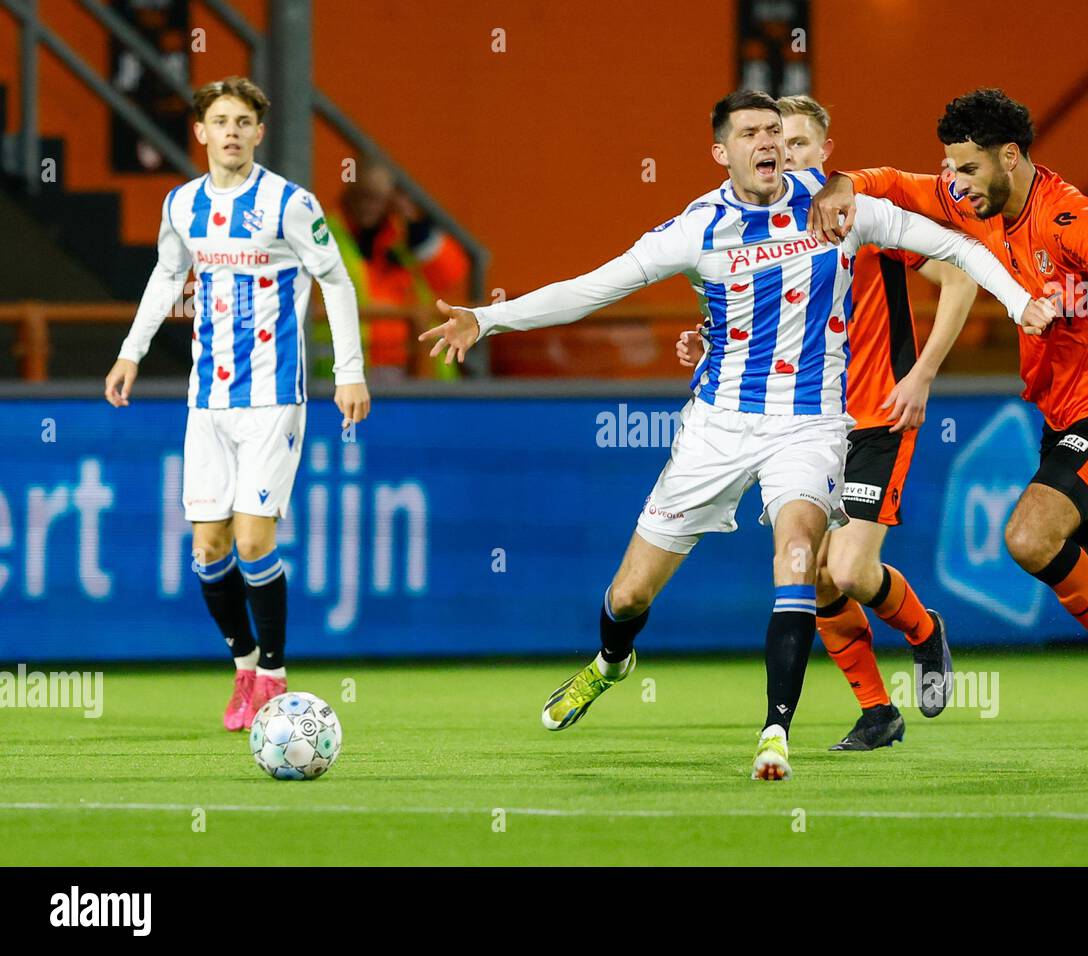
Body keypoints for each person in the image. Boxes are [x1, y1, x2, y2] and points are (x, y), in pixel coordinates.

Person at [420, 90, 1051, 780]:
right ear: (722, 152)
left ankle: (775, 733)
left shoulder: (836, 208)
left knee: (801, 556)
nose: (767, 142)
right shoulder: (698, 228)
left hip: (809, 424)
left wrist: (1021, 303)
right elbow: (593, 287)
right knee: (629, 595)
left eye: (774, 131)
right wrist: (487, 319)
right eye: (750, 132)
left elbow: (953, 245)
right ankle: (611, 661)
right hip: (716, 428)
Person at [810, 88, 1088, 773]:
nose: (954, 183)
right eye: (950, 168)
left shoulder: (1070, 222)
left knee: (1030, 536)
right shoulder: (977, 202)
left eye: (966, 168)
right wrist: (845, 184)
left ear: (1009, 157)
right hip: (1066, 419)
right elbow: (895, 185)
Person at [676, 94, 982, 751]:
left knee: (844, 571)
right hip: (803, 425)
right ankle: (877, 710)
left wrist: (923, 373)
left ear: (826, 154)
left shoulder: (868, 222)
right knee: (809, 574)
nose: (785, 156)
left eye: (799, 146)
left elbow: (960, 280)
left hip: (878, 417)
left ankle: (924, 632)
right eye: (776, 148)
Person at [103, 76, 372, 731]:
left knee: (254, 540)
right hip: (208, 400)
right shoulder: (182, 206)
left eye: (242, 121)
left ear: (258, 132)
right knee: (207, 547)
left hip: (274, 395)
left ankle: (275, 679)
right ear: (199, 132)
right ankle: (244, 668)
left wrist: (351, 371)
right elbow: (168, 274)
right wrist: (131, 351)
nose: (230, 131)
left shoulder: (289, 203)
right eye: (219, 120)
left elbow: (333, 279)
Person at [329, 162, 471, 378]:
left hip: (415, 365)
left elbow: (451, 275)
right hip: (349, 368)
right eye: (364, 196)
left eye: (378, 198)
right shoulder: (325, 232)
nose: (369, 206)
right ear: (349, 195)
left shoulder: (405, 238)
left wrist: (415, 224)